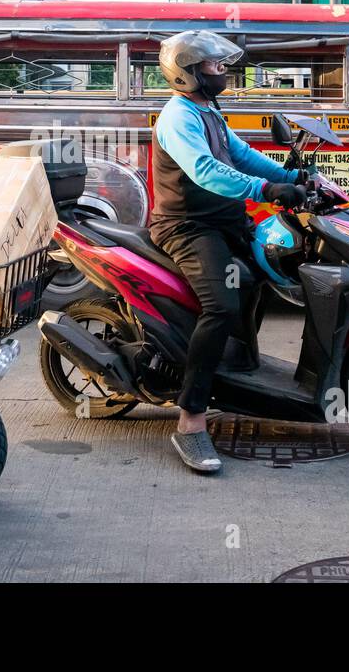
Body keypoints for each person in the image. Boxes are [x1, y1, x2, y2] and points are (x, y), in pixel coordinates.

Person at [149, 30, 304, 474]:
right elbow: (204, 170)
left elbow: (240, 154)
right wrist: (266, 189)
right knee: (220, 305)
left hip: (225, 220)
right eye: (215, 67)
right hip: (188, 226)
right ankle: (191, 420)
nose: (223, 73)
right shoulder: (178, 117)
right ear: (189, 73)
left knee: (263, 276)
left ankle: (236, 372)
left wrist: (293, 176)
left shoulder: (208, 110)